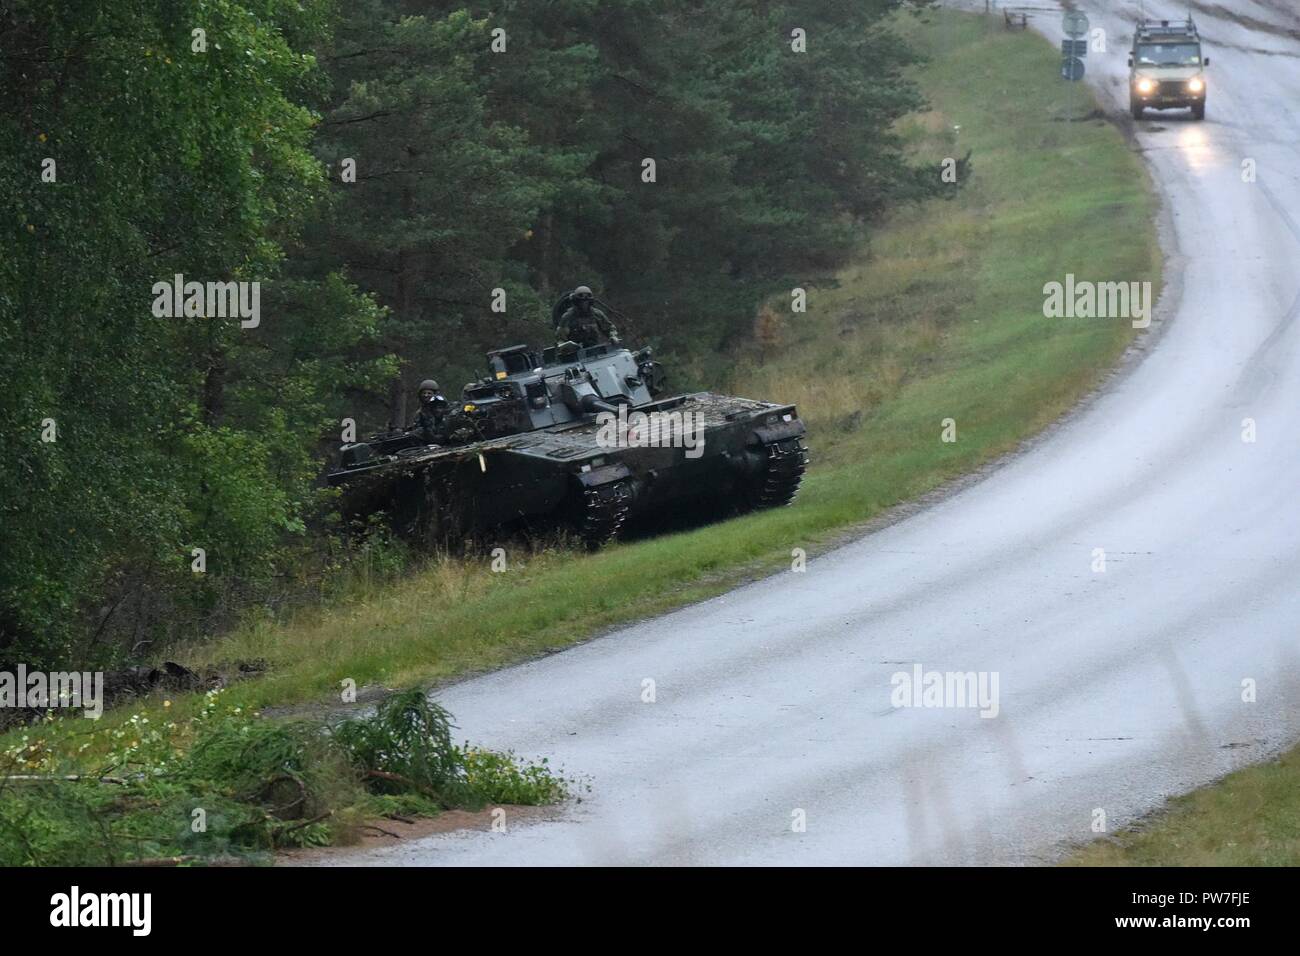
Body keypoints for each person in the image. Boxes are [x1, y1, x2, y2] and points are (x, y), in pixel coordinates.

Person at [555, 285, 619, 348]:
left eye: (587, 302)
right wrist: (564, 347)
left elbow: (610, 328)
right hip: (575, 355)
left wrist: (613, 336)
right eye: (581, 302)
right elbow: (560, 338)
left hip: (595, 350)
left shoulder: (597, 314)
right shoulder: (567, 317)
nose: (584, 304)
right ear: (576, 302)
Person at [408, 378, 449, 444]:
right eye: (424, 393)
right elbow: (417, 429)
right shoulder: (420, 412)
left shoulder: (443, 405)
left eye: (429, 393)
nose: (426, 395)